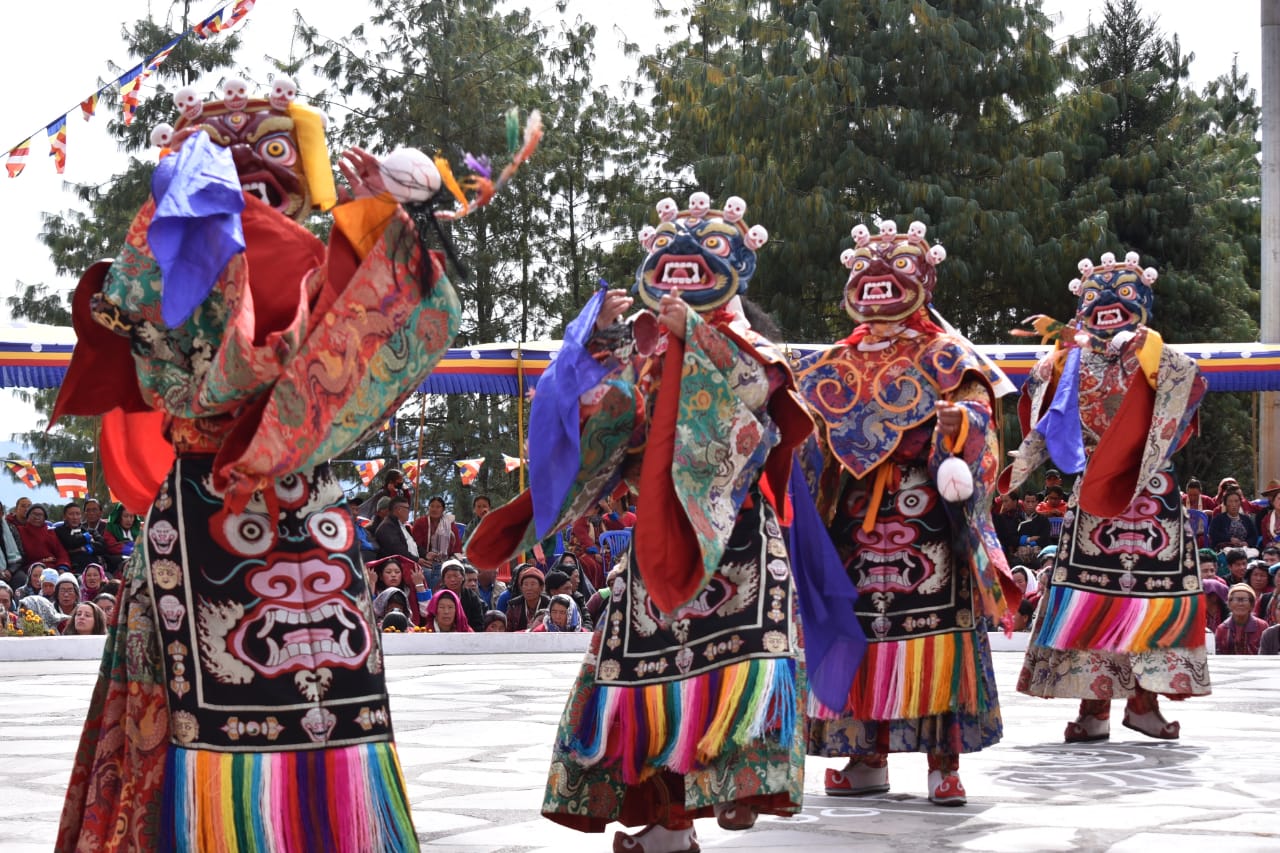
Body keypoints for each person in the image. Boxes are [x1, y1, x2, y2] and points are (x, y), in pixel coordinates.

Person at [49, 80, 504, 851]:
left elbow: (415, 318)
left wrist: (379, 223)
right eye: (221, 155)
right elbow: (193, 364)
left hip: (278, 509)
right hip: (235, 512)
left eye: (265, 153)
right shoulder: (170, 272)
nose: (246, 174)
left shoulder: (305, 270)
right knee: (222, 706)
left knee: (323, 707)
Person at [469, 194, 815, 848]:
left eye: (697, 264)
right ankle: (665, 827)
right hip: (656, 540)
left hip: (737, 538)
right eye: (669, 265)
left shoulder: (752, 346)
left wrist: (697, 337)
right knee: (641, 684)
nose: (680, 278)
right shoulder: (645, 355)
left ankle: (742, 785)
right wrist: (596, 346)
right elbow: (611, 426)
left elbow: (757, 395)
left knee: (743, 668)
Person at [798, 218, 1018, 807]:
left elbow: (982, 419)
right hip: (850, 523)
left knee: (935, 638)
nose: (877, 284)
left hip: (926, 519)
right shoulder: (830, 363)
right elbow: (807, 437)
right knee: (856, 632)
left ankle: (943, 764)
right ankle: (865, 756)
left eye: (894, 271)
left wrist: (962, 423)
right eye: (865, 274)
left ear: (922, 279)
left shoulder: (947, 355)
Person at [1006, 250, 1209, 744]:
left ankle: (1144, 701)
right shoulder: (1069, 359)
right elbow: (1039, 408)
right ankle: (1093, 704)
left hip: (1152, 488)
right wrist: (1060, 352)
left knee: (1150, 599)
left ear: (1142, 303)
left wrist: (1145, 350)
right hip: (1094, 484)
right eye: (1096, 299)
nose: (1109, 306)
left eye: (1123, 296)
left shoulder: (1157, 355)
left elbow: (1188, 390)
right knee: (1089, 597)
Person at [411, 496, 460, 588]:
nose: (434, 509)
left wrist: (452, 560)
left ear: (443, 509)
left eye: (438, 507)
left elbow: (456, 547)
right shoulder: (420, 523)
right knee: (429, 573)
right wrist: (426, 554)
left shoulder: (450, 524)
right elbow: (414, 545)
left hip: (446, 560)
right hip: (425, 560)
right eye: (432, 506)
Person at [55, 502, 107, 576]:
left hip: (95, 568)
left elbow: (103, 546)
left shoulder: (90, 531)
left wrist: (86, 548)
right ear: (65, 516)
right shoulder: (59, 531)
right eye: (71, 514)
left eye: (78, 514)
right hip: (72, 570)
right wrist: (86, 537)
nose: (75, 517)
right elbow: (70, 542)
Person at [16, 505, 69, 575]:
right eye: (34, 514)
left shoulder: (50, 532)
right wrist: (42, 561)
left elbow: (61, 553)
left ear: (44, 518)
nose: (37, 517)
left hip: (52, 568)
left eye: (40, 515)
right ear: (28, 516)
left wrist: (62, 567)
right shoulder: (19, 531)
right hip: (30, 568)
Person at [1215, 584, 1267, 654]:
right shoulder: (1222, 629)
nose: (1240, 604)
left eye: (1244, 600)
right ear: (1229, 604)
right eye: (1236, 599)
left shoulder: (1262, 626)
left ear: (1252, 605)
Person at [435, 558, 485, 631]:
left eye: (456, 576)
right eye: (448, 577)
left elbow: (478, 623)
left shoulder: (472, 597)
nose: (452, 580)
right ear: (443, 580)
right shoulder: (438, 597)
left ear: (463, 577)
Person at [503, 566, 549, 632]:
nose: (529, 588)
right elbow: (507, 630)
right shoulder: (514, 605)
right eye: (525, 584)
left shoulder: (549, 604)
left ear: (541, 587)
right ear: (521, 588)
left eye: (533, 584)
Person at [103, 503, 140, 576]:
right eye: (125, 516)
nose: (129, 520)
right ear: (119, 517)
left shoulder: (138, 530)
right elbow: (112, 547)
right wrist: (131, 549)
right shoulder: (110, 529)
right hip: (115, 566)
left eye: (131, 516)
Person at [0, 500, 25, 585]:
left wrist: (10, 571)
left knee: (21, 579)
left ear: (2, 513)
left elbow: (20, 555)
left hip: (11, 569)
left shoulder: (11, 528)